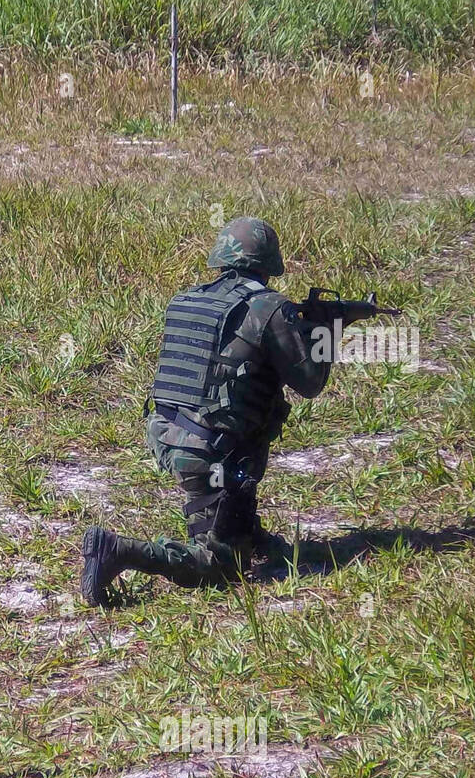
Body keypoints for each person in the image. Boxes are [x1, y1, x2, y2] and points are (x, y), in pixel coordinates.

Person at [81, 217, 334, 605]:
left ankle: (245, 528)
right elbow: (310, 383)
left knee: (237, 455)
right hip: (207, 452)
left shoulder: (188, 298)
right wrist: (326, 330)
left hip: (167, 435)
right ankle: (118, 551)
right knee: (220, 566)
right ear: (269, 262)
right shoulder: (270, 308)